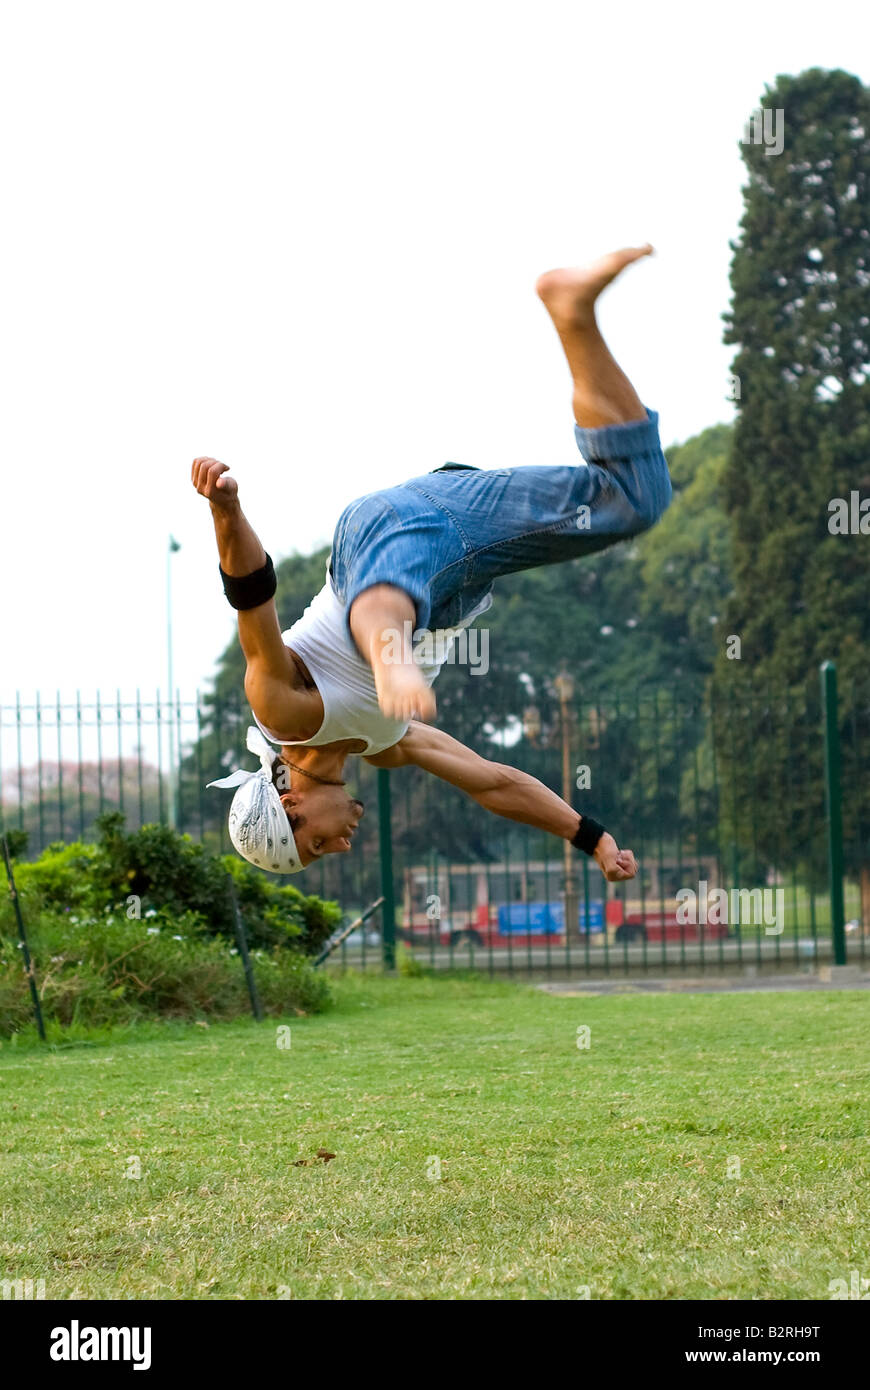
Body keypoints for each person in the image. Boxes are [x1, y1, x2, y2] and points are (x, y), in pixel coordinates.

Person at [195, 245, 672, 881]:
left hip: (381, 540)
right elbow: (492, 783)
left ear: (290, 805)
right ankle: (572, 312)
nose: (340, 847)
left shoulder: (284, 711)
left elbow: (253, 600)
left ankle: (390, 655)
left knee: (389, 595)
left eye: (315, 846)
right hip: (461, 551)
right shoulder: (386, 746)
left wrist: (225, 511)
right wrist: (591, 837)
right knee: (632, 499)